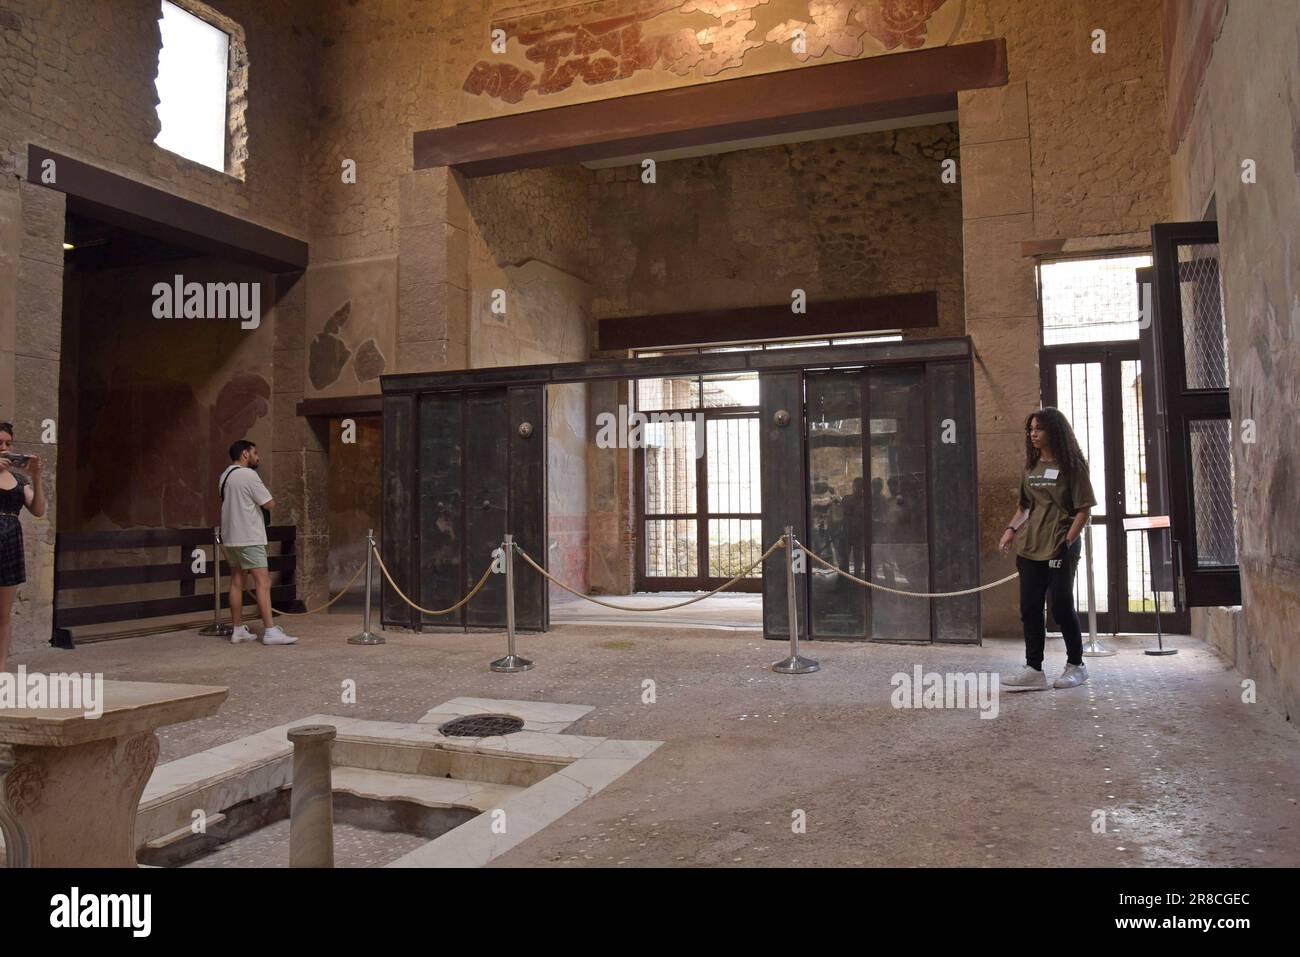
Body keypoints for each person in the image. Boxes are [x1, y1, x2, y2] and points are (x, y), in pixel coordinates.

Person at [999, 407, 1096, 691]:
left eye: (1038, 428)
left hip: (1059, 546)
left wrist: (1067, 541)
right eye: (1030, 429)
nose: (1033, 434)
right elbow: (1024, 507)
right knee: (1030, 608)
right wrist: (1010, 530)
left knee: (1061, 606)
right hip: (1031, 547)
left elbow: (1084, 509)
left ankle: (1076, 664)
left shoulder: (1072, 466)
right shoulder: (1031, 468)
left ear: (1054, 430)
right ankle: (1033, 669)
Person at [219, 440, 296, 645]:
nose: (257, 457)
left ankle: (237, 629)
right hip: (250, 536)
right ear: (245, 454)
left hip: (231, 537)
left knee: (237, 581)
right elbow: (269, 503)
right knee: (263, 582)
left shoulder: (225, 476)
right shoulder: (249, 475)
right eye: (255, 452)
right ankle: (270, 631)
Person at [0, 423, 45, 672]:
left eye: (8, 443)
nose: (5, 448)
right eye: (0, 444)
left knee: (3, 613)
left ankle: (1, 668)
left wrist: (37, 477)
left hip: (9, 545)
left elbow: (38, 509)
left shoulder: (18, 479)